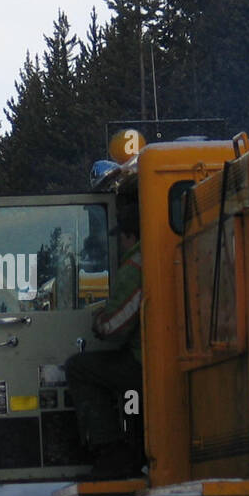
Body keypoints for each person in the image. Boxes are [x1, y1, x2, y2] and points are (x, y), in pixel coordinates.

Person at [65, 195, 145, 478]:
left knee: (80, 368)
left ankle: (110, 450)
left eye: (120, 237)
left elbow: (114, 326)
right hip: (152, 357)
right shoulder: (162, 253)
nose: (118, 245)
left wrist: (97, 320)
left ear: (130, 235)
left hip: (143, 361)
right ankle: (134, 447)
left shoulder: (136, 265)